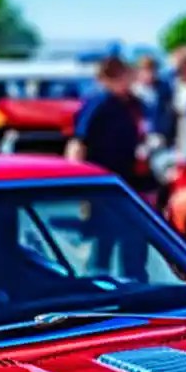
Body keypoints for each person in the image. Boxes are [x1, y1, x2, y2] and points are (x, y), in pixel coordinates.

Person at [66, 56, 152, 278]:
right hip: (102, 185)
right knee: (101, 245)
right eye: (126, 74)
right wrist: (80, 186)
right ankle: (97, 287)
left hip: (130, 185)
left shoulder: (133, 104)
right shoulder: (98, 104)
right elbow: (78, 144)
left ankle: (135, 286)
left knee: (133, 244)